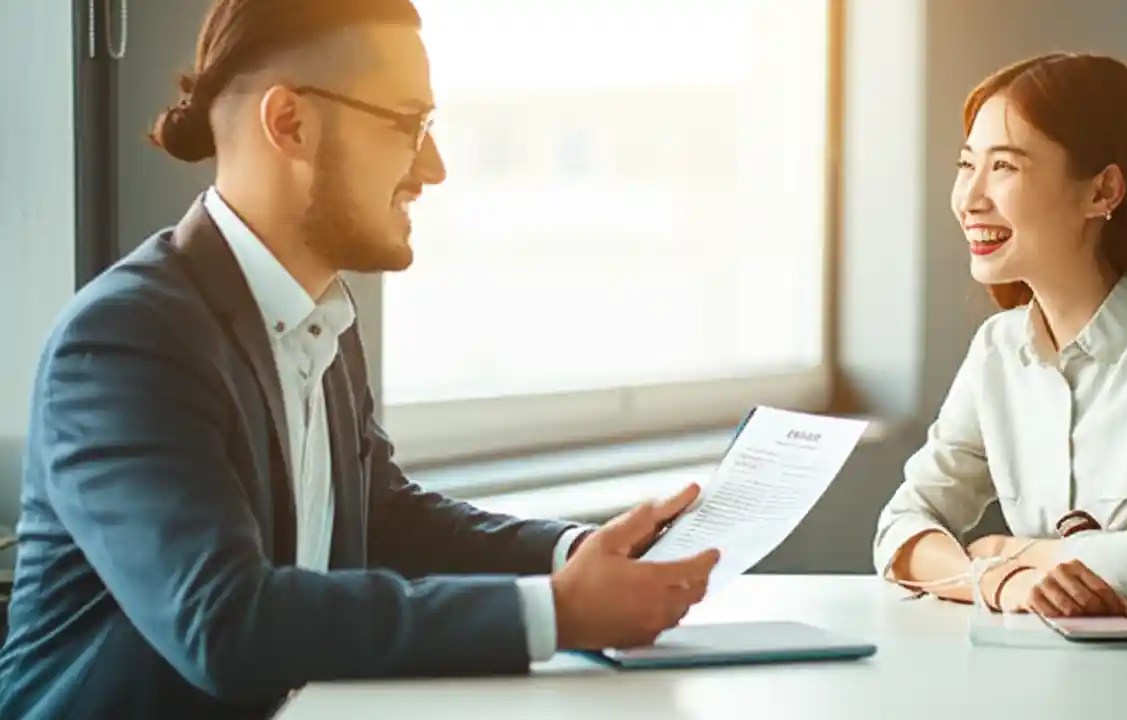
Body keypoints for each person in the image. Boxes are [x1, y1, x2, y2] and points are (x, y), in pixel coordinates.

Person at [0, 1, 719, 718]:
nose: (433, 168)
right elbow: (223, 621)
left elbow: (381, 518)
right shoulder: (124, 341)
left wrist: (577, 553)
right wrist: (553, 613)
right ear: (290, 123)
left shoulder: (320, 317)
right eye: (408, 125)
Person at [872, 52, 1127, 618]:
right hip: (1067, 656)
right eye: (967, 165)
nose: (969, 199)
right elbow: (901, 530)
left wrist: (1006, 550)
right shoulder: (997, 349)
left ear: (1102, 191)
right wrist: (1001, 582)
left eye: (1004, 166)